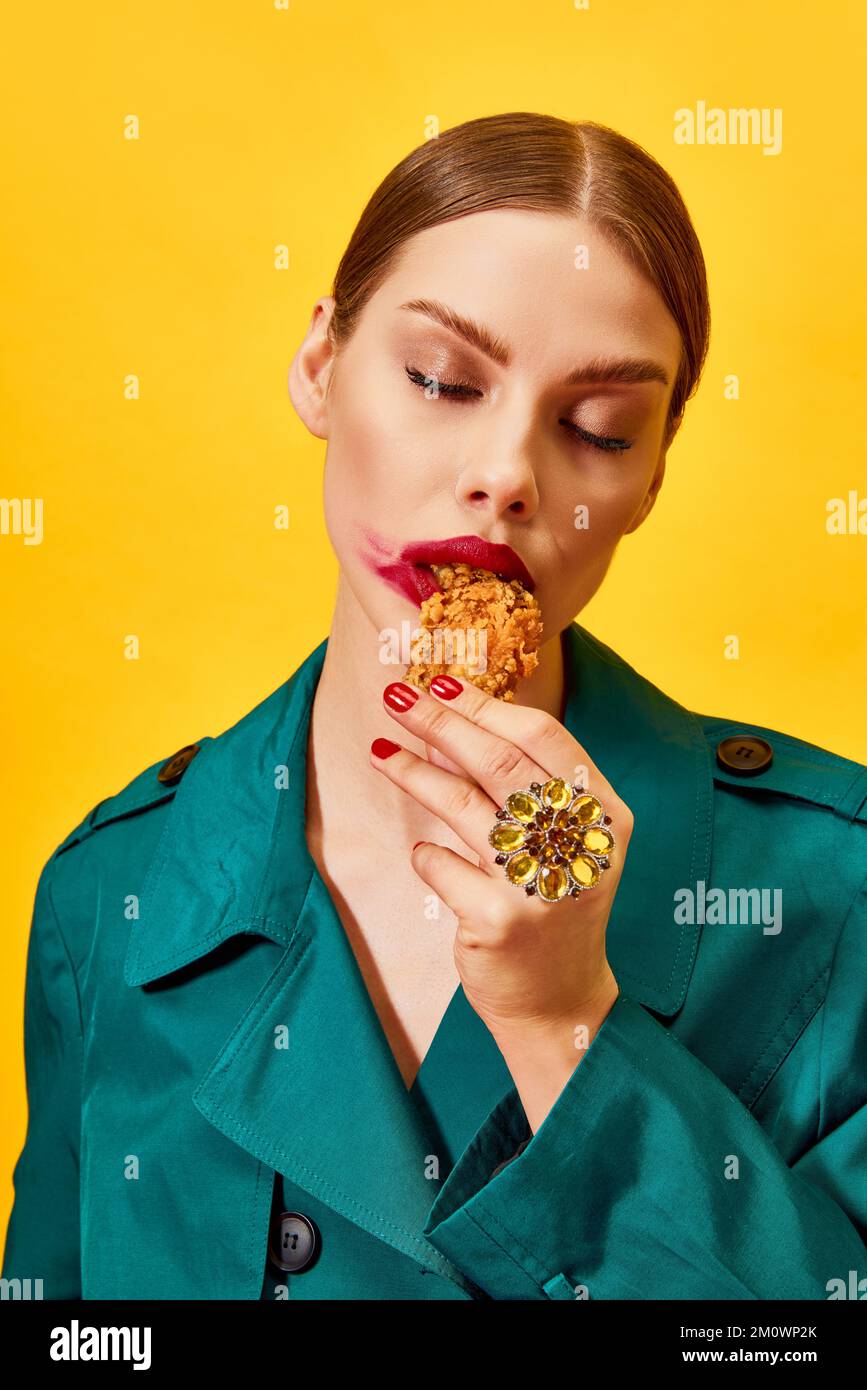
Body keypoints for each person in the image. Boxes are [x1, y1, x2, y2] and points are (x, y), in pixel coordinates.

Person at [3, 112, 866, 1302]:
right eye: (441, 379)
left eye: (597, 429)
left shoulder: (835, 895)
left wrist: (568, 1024)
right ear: (319, 366)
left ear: (651, 478)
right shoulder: (113, 896)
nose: (508, 473)